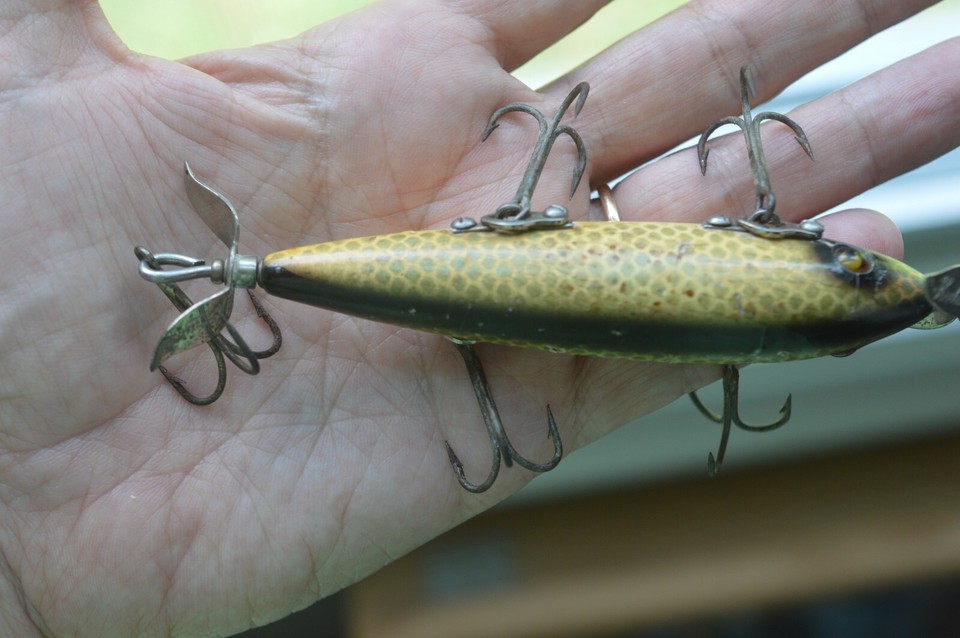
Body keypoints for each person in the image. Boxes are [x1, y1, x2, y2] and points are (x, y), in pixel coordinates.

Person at [0, 0, 957, 634]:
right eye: (859, 274)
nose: (865, 270)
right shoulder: (854, 291)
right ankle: (252, 272)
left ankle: (251, 273)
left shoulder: (856, 299)